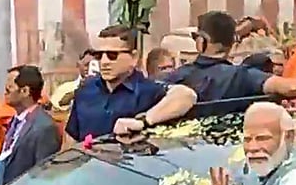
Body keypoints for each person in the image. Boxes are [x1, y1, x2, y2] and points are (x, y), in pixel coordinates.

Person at [125, 11, 296, 127]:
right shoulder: (242, 77)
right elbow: (291, 87)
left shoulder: (175, 78)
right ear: (233, 42)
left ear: (200, 40)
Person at [66, 25, 198, 141]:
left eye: (112, 55)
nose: (104, 61)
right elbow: (71, 140)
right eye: (99, 55)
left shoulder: (148, 91)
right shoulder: (85, 91)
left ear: (134, 57)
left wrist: (143, 121)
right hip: (91, 167)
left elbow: (186, 96)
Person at [0, 65, 61, 185]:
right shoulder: (15, 121)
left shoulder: (45, 127)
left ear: (25, 91)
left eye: (9, 88)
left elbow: (44, 176)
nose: (5, 92)